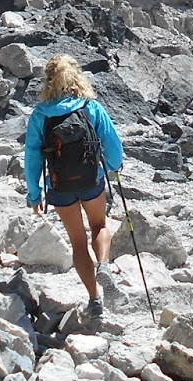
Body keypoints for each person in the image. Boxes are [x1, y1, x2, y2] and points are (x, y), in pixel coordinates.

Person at [24, 54, 124, 317]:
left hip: (59, 186)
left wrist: (35, 195)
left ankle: (94, 300)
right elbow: (113, 146)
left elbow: (32, 157)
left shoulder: (39, 116)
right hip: (91, 179)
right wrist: (113, 168)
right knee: (100, 226)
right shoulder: (90, 107)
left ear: (48, 82)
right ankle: (104, 266)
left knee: (78, 243)